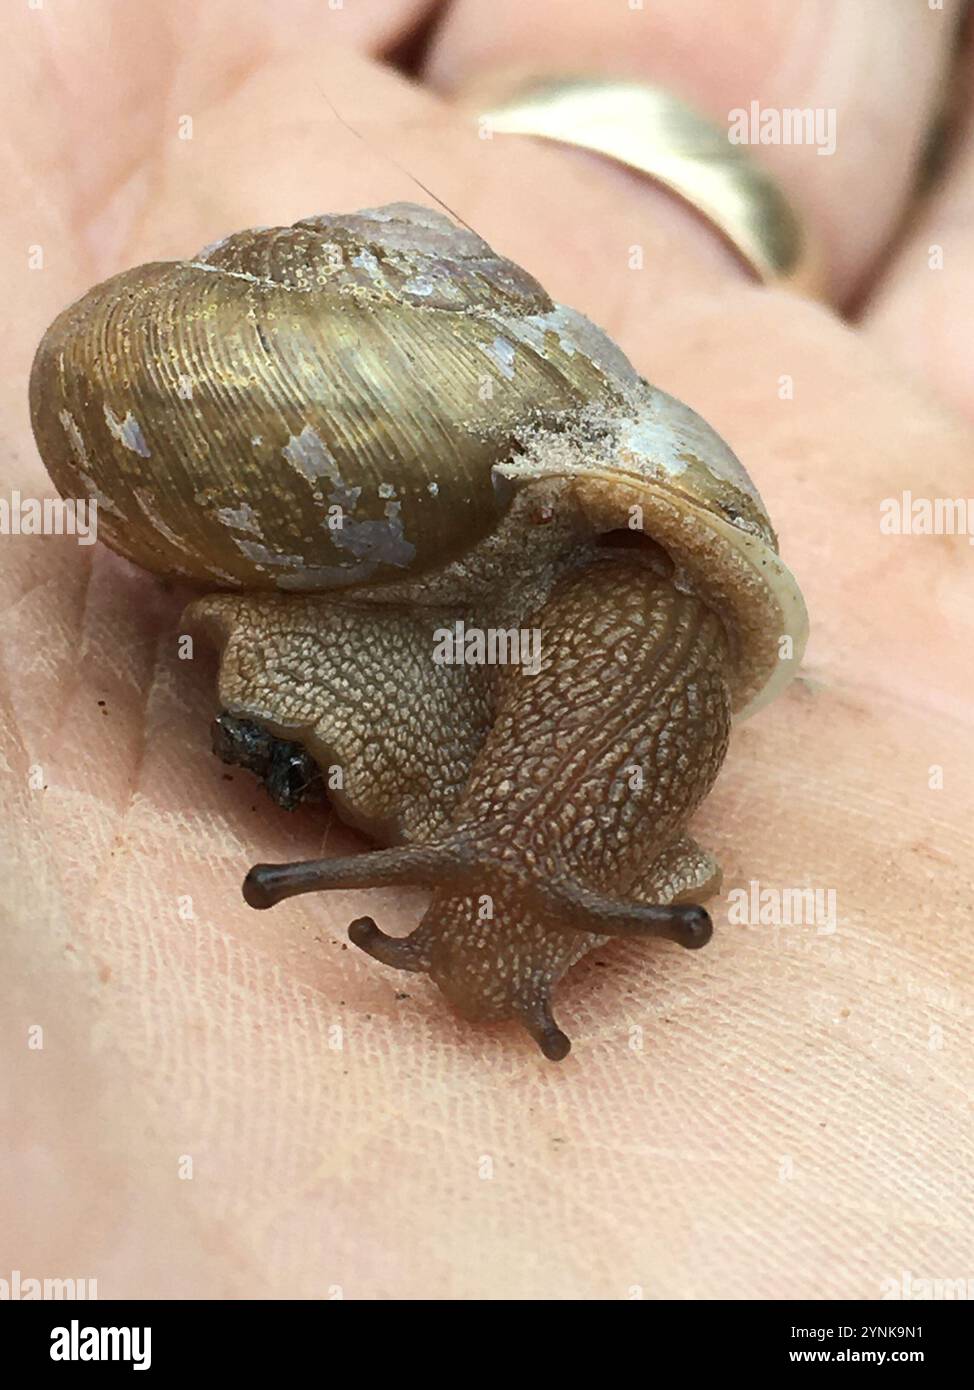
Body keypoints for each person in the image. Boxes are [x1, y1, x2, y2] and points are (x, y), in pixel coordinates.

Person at [2, 0, 972, 1299]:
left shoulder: (615, 570)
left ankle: (511, 899)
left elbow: (638, 617)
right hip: (399, 550)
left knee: (636, 619)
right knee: (624, 622)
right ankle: (510, 894)